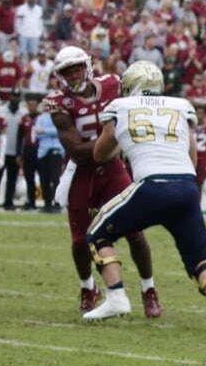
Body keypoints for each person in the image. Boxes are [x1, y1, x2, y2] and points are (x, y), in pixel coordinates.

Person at [83, 61, 206, 332]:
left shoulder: (121, 107)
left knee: (96, 234)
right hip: (185, 187)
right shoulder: (179, 106)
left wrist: (124, 144)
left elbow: (100, 153)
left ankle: (116, 296)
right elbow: (191, 155)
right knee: (200, 257)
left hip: (150, 185)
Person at [41, 46, 162, 317]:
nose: (73, 75)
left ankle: (148, 289)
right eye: (67, 71)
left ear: (88, 66)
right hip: (81, 171)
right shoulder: (58, 102)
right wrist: (115, 142)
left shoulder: (112, 85)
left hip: (112, 169)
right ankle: (88, 287)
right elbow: (75, 149)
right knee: (79, 240)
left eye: (76, 68)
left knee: (134, 231)